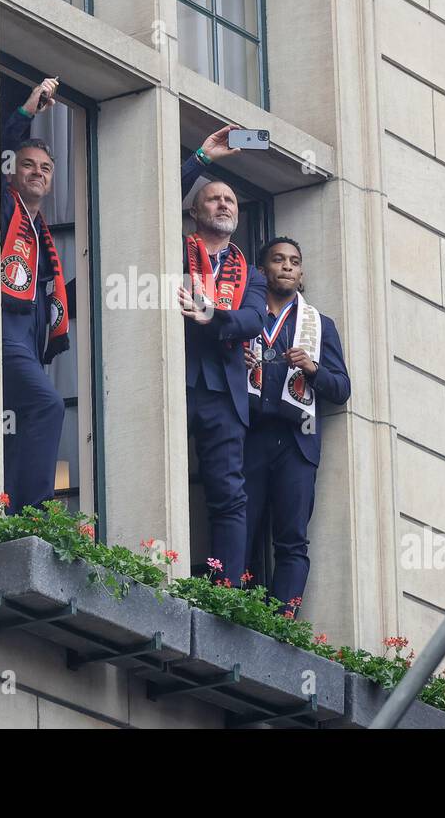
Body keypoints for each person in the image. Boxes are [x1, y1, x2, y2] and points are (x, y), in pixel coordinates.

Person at [177, 125, 267, 585]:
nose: (224, 204)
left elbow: (253, 319)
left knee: (229, 496)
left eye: (231, 200)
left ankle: (225, 591)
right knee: (163, 474)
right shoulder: (174, 248)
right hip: (174, 380)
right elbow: (146, 190)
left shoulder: (249, 272)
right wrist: (203, 159)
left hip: (225, 394)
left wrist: (214, 317)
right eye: (214, 198)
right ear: (194, 211)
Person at [242, 236, 351, 611]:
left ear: (301, 274)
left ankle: (282, 619)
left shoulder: (319, 325)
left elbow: (342, 388)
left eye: (294, 261)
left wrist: (313, 369)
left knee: (292, 538)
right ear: (261, 271)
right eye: (277, 259)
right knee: (241, 526)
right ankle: (232, 608)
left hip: (296, 442)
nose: (286, 266)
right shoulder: (246, 316)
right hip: (248, 437)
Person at [0, 77, 71, 513]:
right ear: (12, 169)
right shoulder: (5, 206)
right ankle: (36, 509)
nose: (37, 174)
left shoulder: (42, 231)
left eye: (44, 169)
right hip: (4, 332)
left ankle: (7, 510)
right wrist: (27, 112)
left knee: (20, 425)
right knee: (48, 405)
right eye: (28, 165)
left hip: (31, 340)